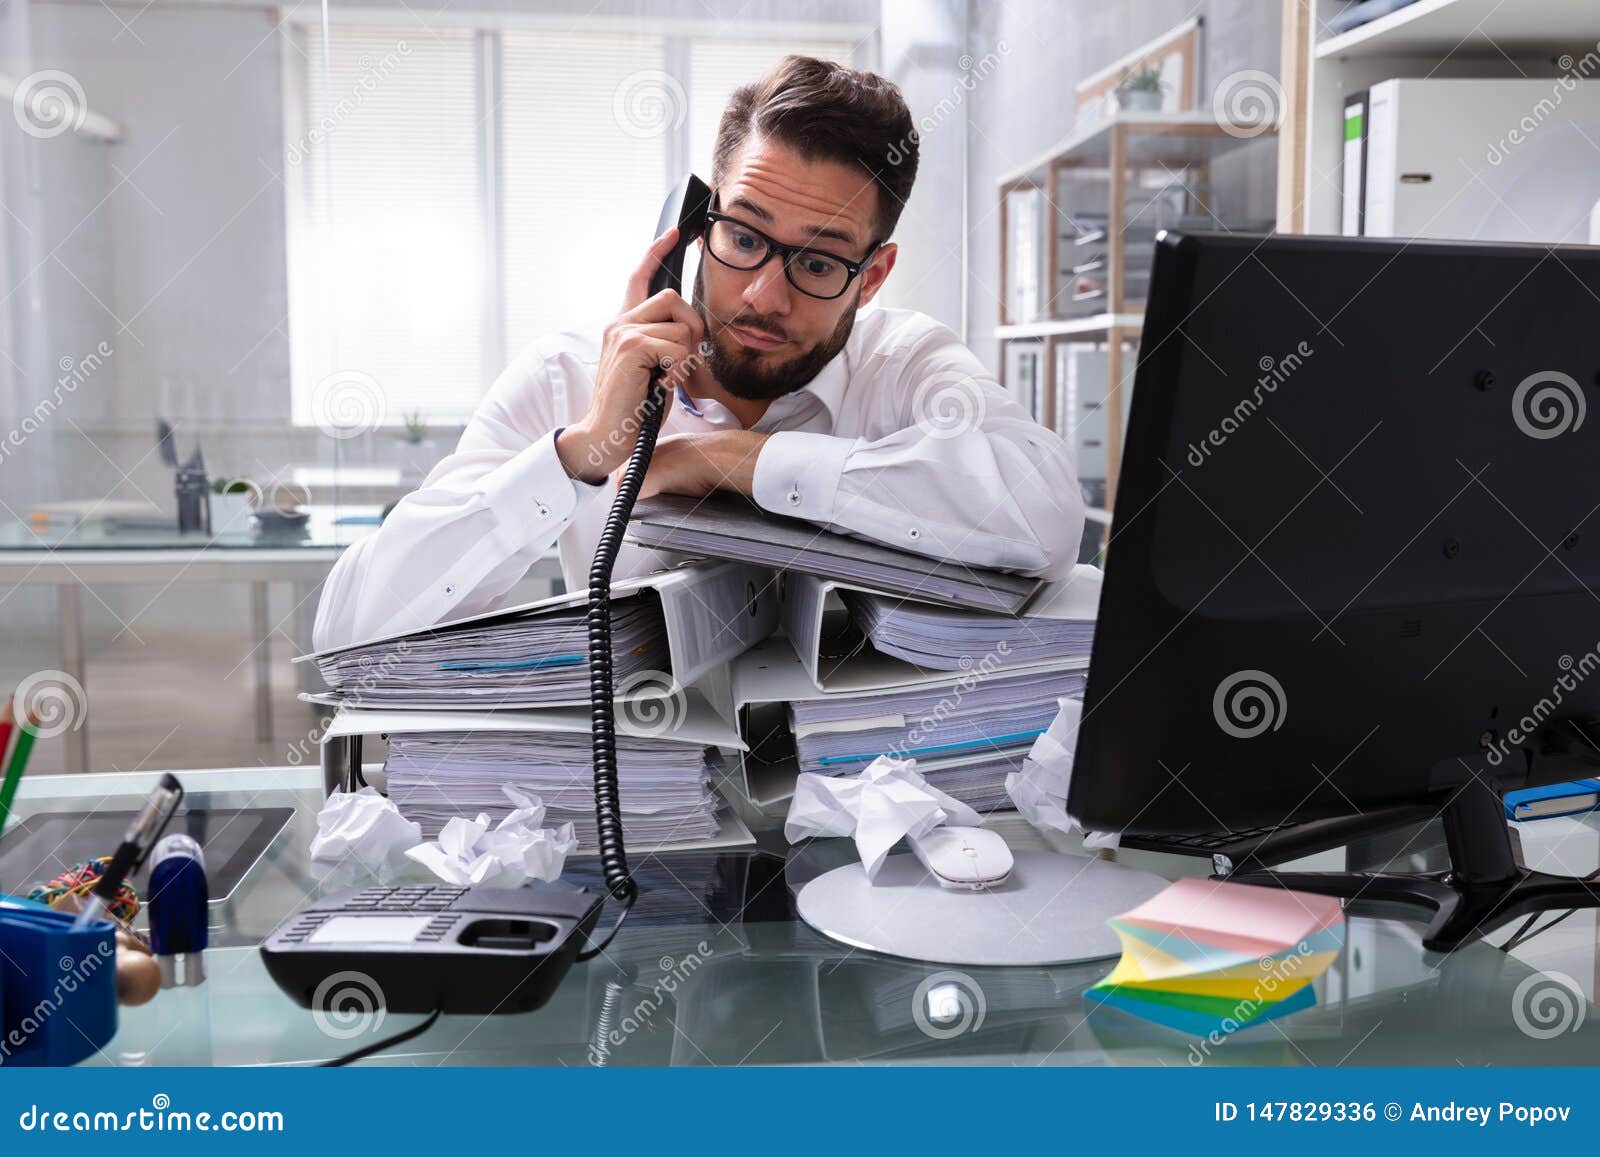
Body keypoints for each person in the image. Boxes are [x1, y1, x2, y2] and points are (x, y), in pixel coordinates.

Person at [314, 55, 1083, 651]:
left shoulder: (905, 362)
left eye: (818, 264)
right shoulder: (571, 375)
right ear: (692, 227)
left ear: (872, 276)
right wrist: (581, 454)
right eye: (743, 238)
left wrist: (730, 458)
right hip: (649, 798)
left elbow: (1046, 514)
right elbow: (352, 629)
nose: (762, 298)